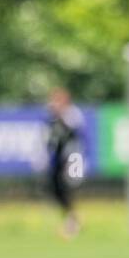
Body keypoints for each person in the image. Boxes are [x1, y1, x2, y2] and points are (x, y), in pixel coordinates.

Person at [46, 87, 84, 238]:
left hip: (74, 158)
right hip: (60, 159)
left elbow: (73, 132)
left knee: (69, 188)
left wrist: (59, 114)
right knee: (56, 189)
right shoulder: (52, 118)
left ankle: (73, 222)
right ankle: (72, 218)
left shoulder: (73, 113)